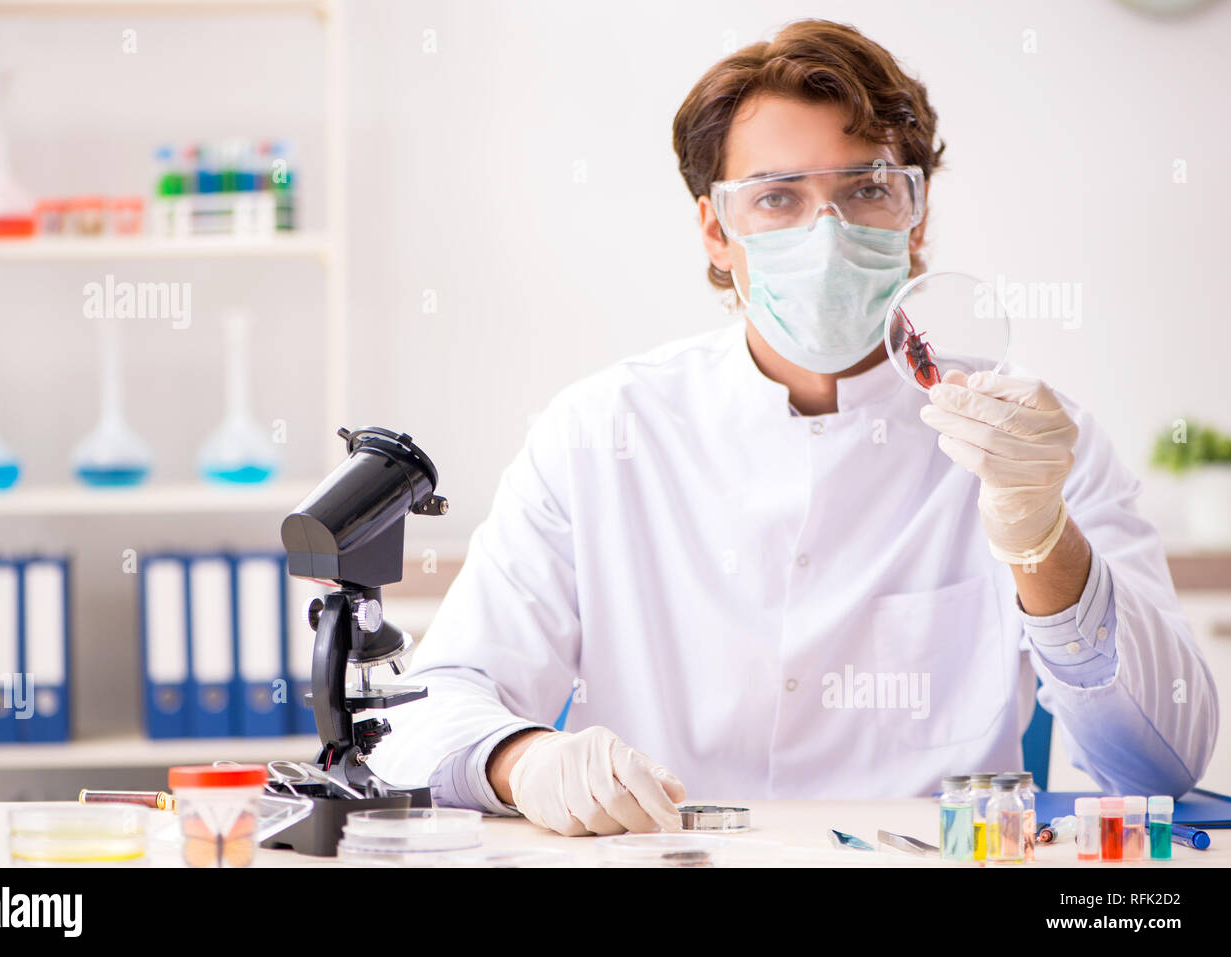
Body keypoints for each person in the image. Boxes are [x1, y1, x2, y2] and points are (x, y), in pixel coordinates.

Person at [371, 19, 1218, 836]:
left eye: (867, 188)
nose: (829, 232)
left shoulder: (1030, 437)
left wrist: (1044, 543)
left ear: (916, 215)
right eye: (777, 198)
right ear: (716, 228)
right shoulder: (600, 435)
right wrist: (523, 757)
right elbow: (424, 714)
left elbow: (1162, 767)